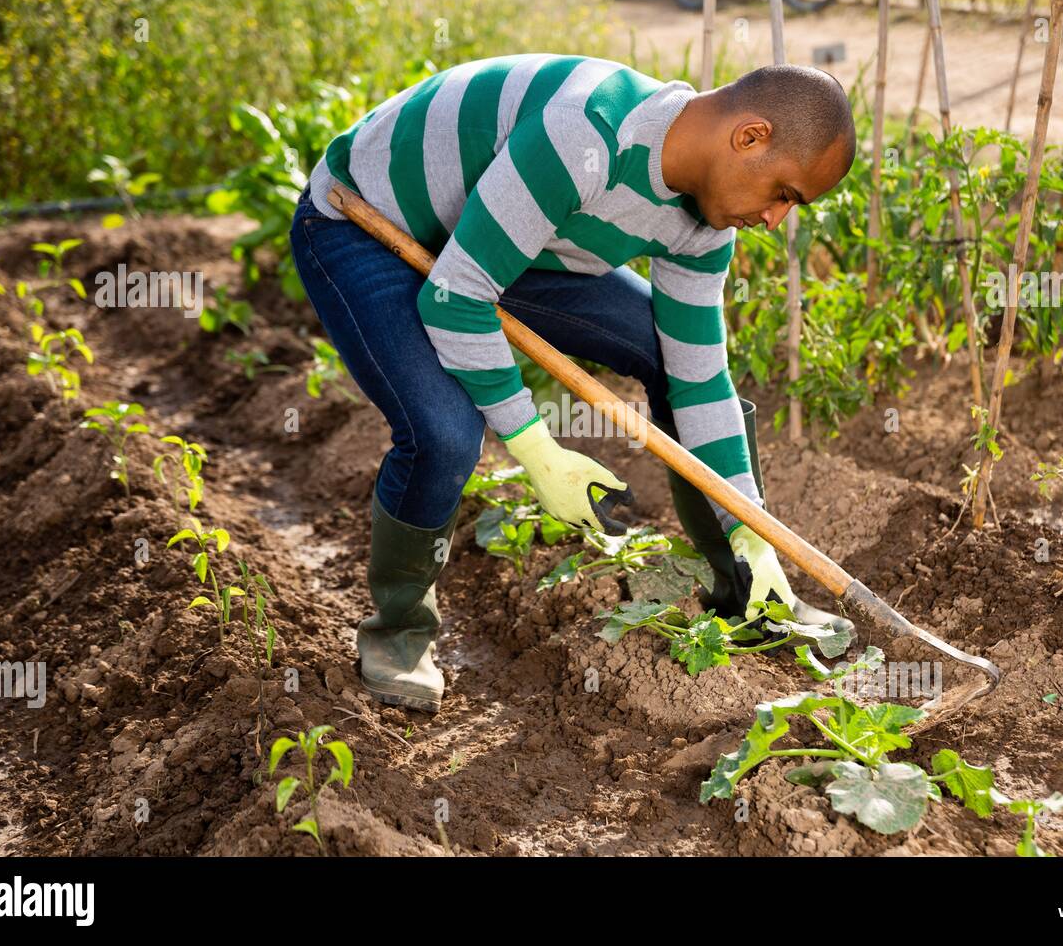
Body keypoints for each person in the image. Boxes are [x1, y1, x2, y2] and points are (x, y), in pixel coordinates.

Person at [289, 54, 857, 713]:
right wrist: (539, 452)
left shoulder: (704, 228)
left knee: (666, 352)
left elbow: (701, 381)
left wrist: (753, 535)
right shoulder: (584, 132)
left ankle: (750, 588)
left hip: (512, 243)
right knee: (443, 433)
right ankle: (400, 631)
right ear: (750, 137)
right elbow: (456, 299)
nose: (774, 219)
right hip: (364, 223)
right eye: (784, 193)